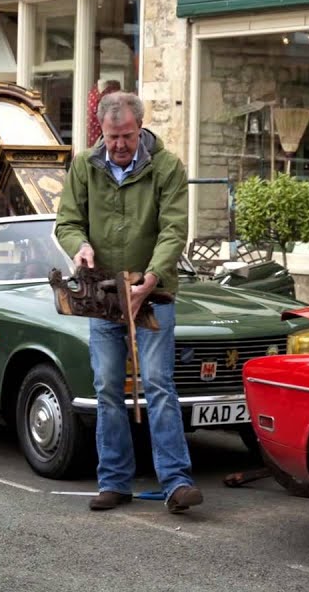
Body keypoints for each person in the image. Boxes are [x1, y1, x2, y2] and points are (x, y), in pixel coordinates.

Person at [54, 90, 204, 514]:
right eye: (111, 136)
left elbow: (174, 230)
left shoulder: (168, 167)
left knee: (158, 385)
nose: (119, 145)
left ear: (140, 128)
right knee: (106, 388)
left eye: (127, 135)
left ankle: (177, 482)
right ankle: (114, 482)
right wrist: (79, 247)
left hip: (154, 293)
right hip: (104, 295)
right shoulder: (85, 165)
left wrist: (150, 279)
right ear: (101, 131)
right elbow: (67, 221)